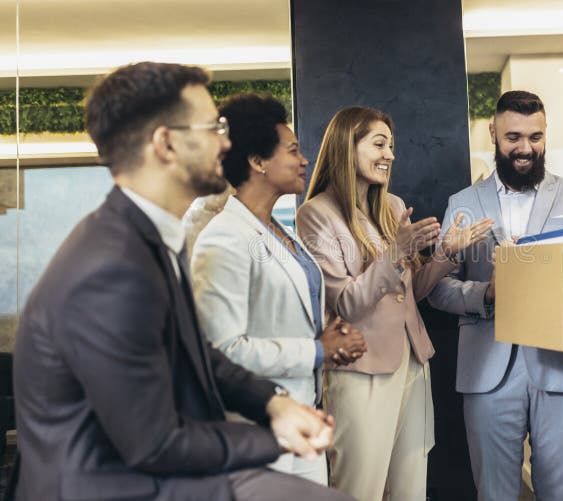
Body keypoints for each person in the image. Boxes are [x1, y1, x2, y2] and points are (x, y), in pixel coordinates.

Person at [12, 62, 354, 501]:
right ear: (167, 143)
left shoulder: (146, 236)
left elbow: (200, 354)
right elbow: (154, 444)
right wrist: (278, 438)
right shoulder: (112, 269)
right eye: (213, 127)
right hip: (109, 484)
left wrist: (275, 404)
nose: (226, 141)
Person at [295, 106, 493, 501]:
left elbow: (410, 293)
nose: (390, 155)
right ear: (345, 148)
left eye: (392, 146)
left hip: (412, 364)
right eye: (379, 144)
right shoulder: (315, 215)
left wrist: (446, 254)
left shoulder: (394, 207)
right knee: (360, 488)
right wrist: (396, 252)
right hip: (359, 370)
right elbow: (347, 303)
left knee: (410, 486)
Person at [427, 90, 563, 501]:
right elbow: (438, 290)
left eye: (535, 137)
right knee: (495, 494)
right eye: (513, 137)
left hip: (561, 364)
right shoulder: (463, 203)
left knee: (560, 492)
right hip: (488, 368)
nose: (525, 149)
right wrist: (488, 293)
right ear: (493, 134)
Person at [191, 93, 367, 485]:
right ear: (256, 161)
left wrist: (328, 333)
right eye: (293, 150)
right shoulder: (223, 238)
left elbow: (287, 313)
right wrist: (319, 349)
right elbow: (224, 352)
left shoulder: (280, 230)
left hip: (302, 417)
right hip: (255, 428)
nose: (304, 159)